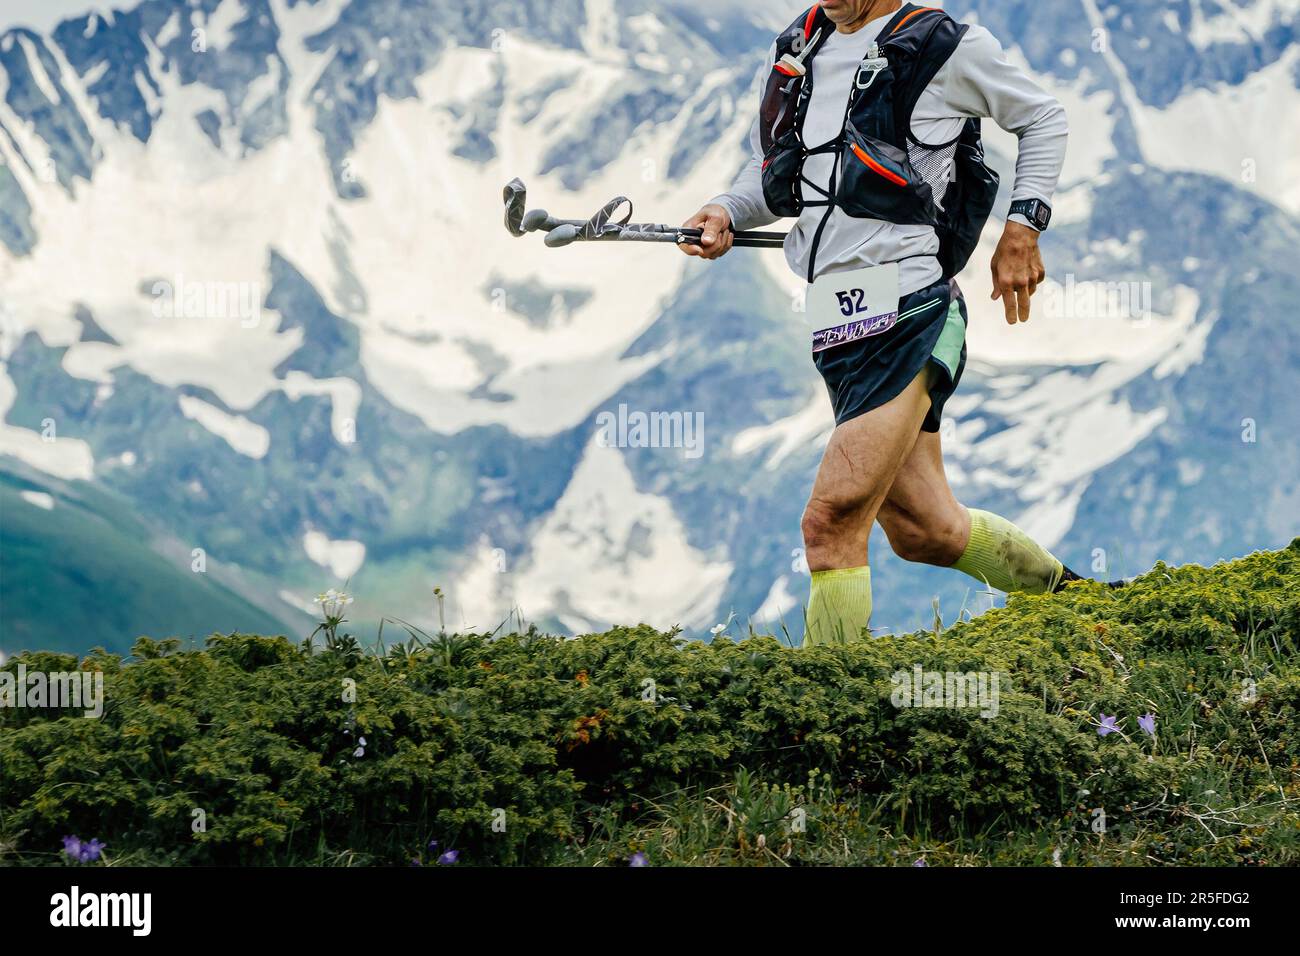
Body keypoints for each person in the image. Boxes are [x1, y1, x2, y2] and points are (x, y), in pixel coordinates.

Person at [681, 0, 1099, 646]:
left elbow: (1042, 117)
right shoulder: (805, 44)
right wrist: (726, 210)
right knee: (927, 530)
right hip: (838, 327)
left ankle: (825, 712)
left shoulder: (943, 46)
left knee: (829, 521)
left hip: (911, 313)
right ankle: (1080, 603)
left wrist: (1023, 228)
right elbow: (790, 173)